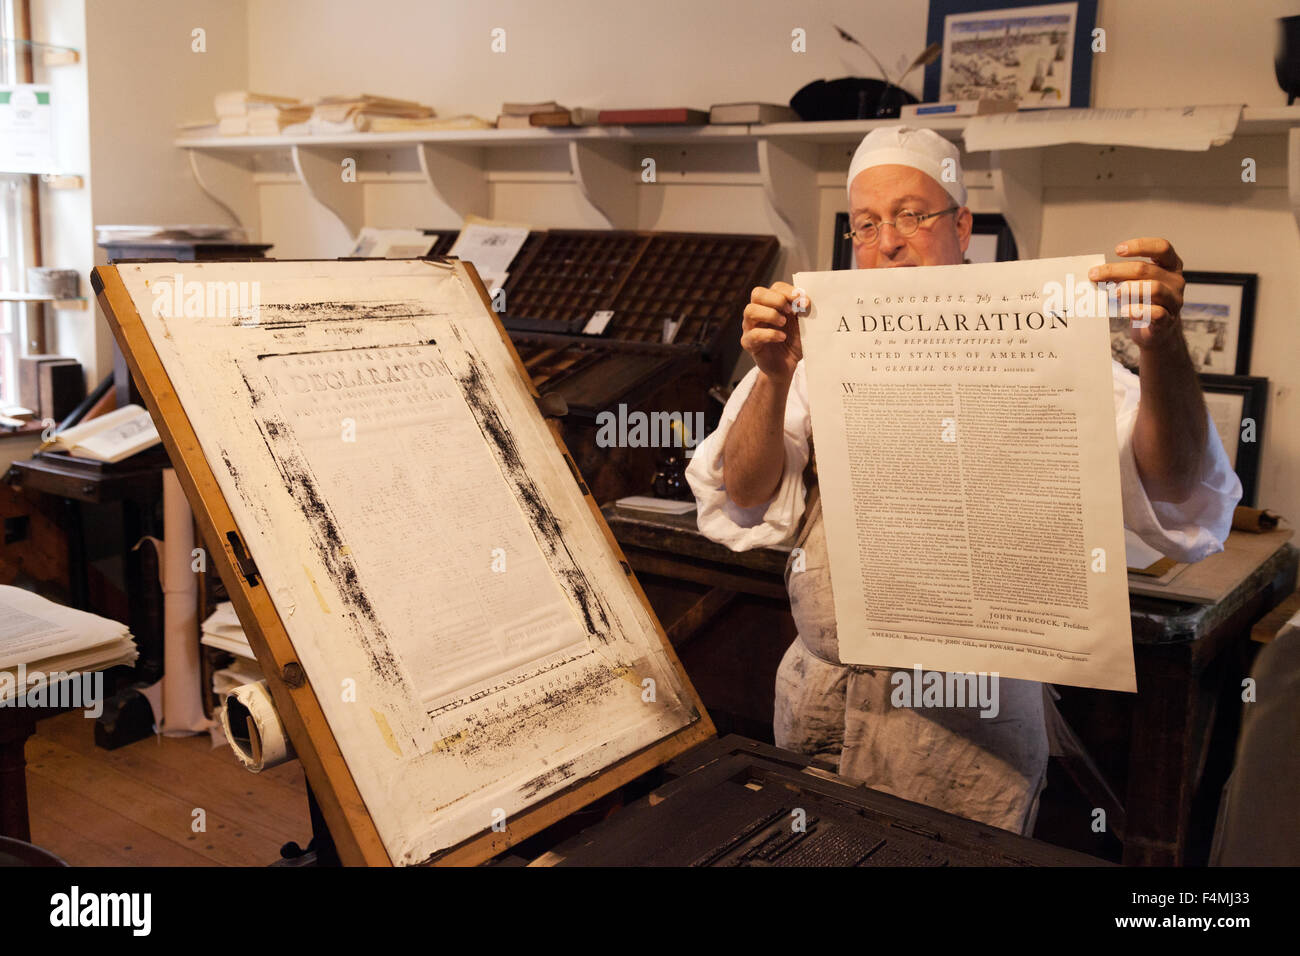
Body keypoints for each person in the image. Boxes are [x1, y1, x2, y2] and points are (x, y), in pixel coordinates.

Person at [685, 126, 1242, 834]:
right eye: (865, 224)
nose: (887, 241)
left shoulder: (1046, 337)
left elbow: (1173, 486)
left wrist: (1161, 345)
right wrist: (771, 376)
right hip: (821, 692)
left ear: (963, 226)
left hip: (969, 716)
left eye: (912, 215)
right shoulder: (814, 345)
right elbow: (745, 491)